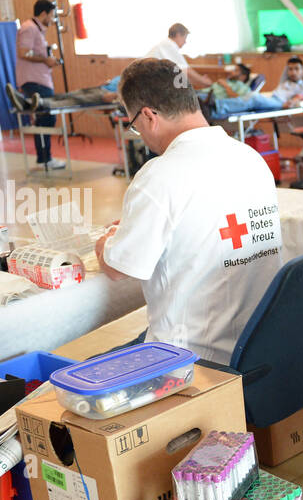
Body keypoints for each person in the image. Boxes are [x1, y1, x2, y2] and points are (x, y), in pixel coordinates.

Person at [93, 58, 284, 365]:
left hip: (190, 359)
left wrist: (106, 243)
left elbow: (119, 269)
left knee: (71, 380)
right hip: (259, 349)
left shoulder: (160, 175)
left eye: (134, 125)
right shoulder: (250, 158)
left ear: (149, 116)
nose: (139, 132)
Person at [15, 0, 65, 170]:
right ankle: (45, 159)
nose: (52, 20)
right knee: (46, 118)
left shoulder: (36, 29)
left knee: (47, 119)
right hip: (34, 81)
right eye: (51, 16)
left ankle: (45, 158)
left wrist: (48, 60)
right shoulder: (29, 28)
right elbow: (23, 53)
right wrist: (46, 59)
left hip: (40, 79)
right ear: (43, 13)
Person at [208, 57, 303, 117]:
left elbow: (302, 96)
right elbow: (285, 73)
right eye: (290, 69)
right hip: (272, 98)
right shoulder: (286, 82)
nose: (293, 72)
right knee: (250, 96)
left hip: (280, 103)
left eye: (296, 69)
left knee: (254, 97)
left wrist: (292, 102)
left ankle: (217, 106)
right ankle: (215, 108)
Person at [146, 23, 213, 89]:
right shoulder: (169, 45)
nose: (185, 42)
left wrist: (200, 82)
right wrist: (204, 81)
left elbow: (182, 76)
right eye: (184, 38)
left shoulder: (165, 45)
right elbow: (186, 70)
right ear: (178, 35)